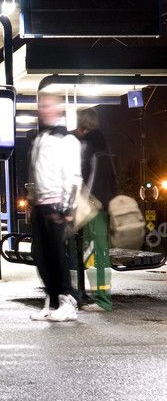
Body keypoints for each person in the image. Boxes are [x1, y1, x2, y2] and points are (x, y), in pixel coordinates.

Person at [28, 94, 82, 322]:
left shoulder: (67, 140)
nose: (44, 110)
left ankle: (68, 300)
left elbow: (74, 175)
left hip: (57, 204)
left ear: (59, 110)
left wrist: (68, 208)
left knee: (57, 255)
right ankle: (52, 300)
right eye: (42, 107)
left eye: (49, 106)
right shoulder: (40, 139)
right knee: (41, 254)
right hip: (40, 204)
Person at [74, 107, 116, 312]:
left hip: (93, 205)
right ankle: (101, 297)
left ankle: (102, 300)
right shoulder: (104, 143)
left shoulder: (87, 144)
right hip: (104, 204)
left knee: (95, 252)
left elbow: (83, 175)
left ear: (81, 123)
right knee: (100, 251)